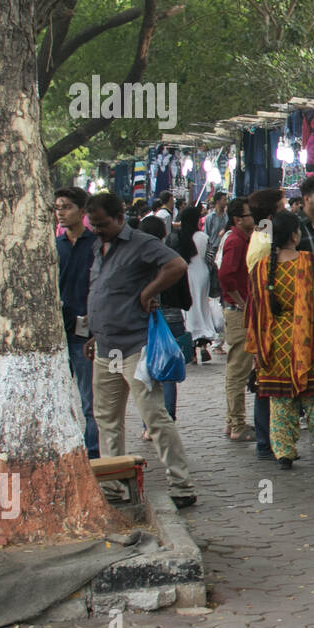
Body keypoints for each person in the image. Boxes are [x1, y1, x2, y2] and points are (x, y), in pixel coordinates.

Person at [83, 193, 197, 508]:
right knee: (106, 418)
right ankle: (114, 486)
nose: (98, 230)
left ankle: (181, 483)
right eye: (93, 225)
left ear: (119, 217)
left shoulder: (140, 243)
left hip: (136, 345)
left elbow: (175, 265)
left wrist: (148, 292)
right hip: (105, 346)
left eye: (103, 224)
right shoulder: (98, 246)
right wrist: (94, 334)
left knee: (154, 415)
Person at [246, 210, 314, 468]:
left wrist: (257, 350)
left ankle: (284, 455)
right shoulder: (310, 262)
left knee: (281, 401)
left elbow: (255, 311)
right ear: (295, 235)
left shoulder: (260, 269)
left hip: (275, 342)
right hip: (311, 338)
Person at [55, 186, 100, 458]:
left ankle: (92, 453)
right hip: (57, 332)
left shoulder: (95, 245)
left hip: (85, 333)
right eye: (58, 208)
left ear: (82, 212)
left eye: (67, 207)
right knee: (59, 399)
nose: (61, 213)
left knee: (89, 401)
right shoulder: (54, 245)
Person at [244, 187, 287, 459]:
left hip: (264, 315)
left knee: (268, 380)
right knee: (266, 381)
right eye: (283, 206)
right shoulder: (265, 241)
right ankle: (265, 442)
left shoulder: (262, 236)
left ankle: (271, 440)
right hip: (266, 317)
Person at [138, 215, 189, 430]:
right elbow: (186, 299)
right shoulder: (173, 259)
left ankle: (148, 425)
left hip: (146, 323)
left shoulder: (138, 262)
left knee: (147, 371)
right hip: (173, 319)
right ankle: (167, 418)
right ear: (164, 233)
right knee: (167, 373)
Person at [217, 197, 256, 441]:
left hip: (238, 309)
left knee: (237, 368)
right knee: (238, 369)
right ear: (238, 219)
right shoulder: (235, 241)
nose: (254, 218)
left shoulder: (241, 239)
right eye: (249, 215)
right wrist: (241, 303)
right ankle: (237, 424)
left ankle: (232, 421)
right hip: (237, 312)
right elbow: (226, 276)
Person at [174, 204, 215, 362]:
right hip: (202, 274)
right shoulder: (203, 237)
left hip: (185, 275)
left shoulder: (178, 236)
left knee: (187, 310)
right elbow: (210, 258)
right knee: (201, 307)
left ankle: (190, 348)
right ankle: (204, 344)